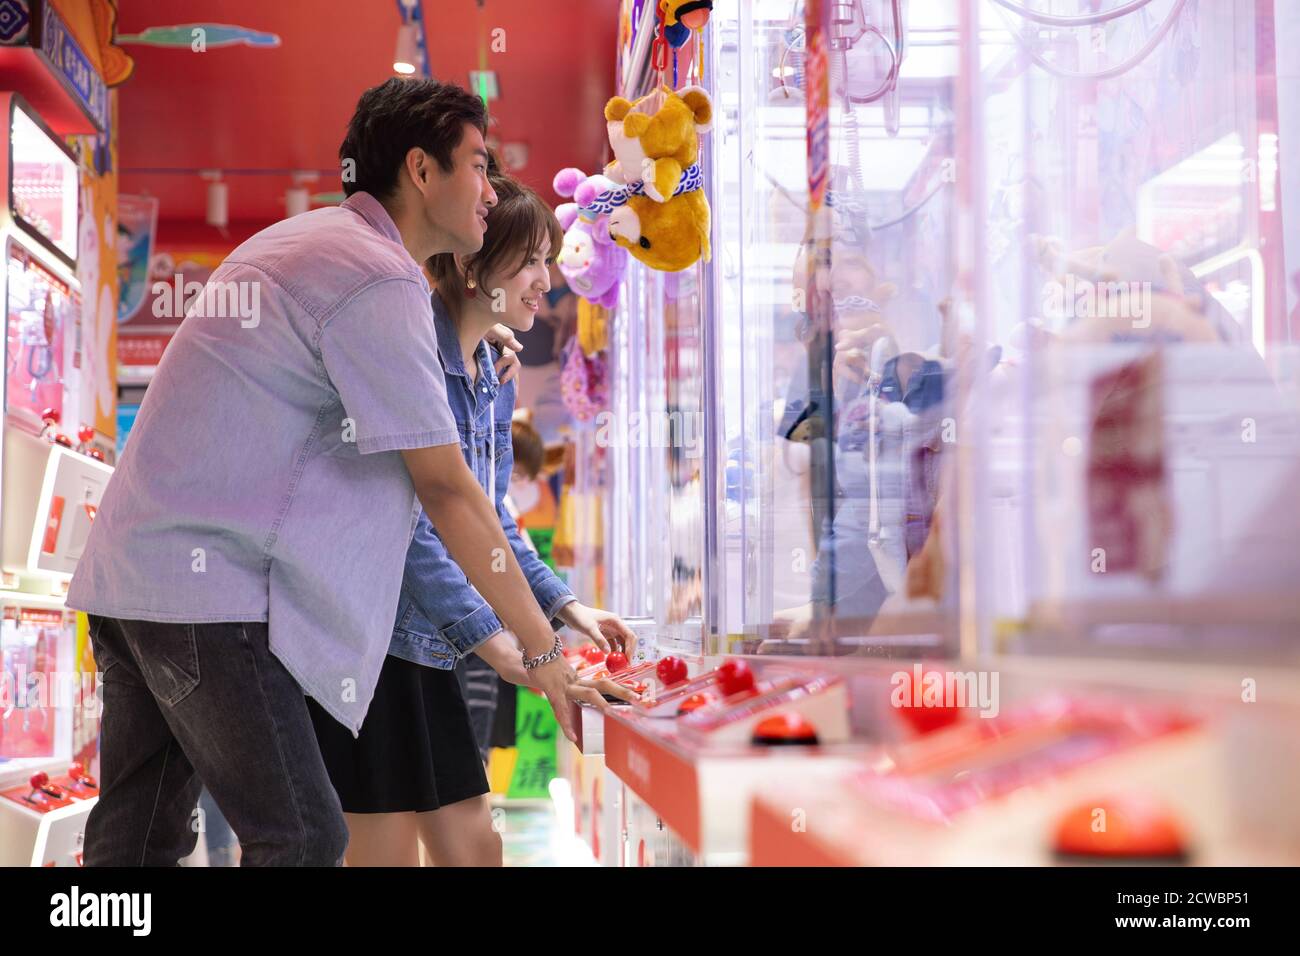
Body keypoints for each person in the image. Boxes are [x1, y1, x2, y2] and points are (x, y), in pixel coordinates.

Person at [65, 78, 586, 866]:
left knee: (136, 846)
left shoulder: (311, 242)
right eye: (479, 166)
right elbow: (446, 491)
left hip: (140, 581)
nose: (490, 189)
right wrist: (543, 656)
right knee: (303, 840)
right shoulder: (377, 276)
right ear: (420, 169)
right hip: (214, 601)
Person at [310, 169, 637, 866]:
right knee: (393, 851)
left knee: (474, 846)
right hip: (374, 647)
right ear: (470, 264)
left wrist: (568, 609)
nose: (544, 280)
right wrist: (509, 648)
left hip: (429, 647)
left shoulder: (489, 374)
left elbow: (489, 522)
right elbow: (415, 530)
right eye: (530, 261)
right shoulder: (413, 355)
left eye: (547, 259)